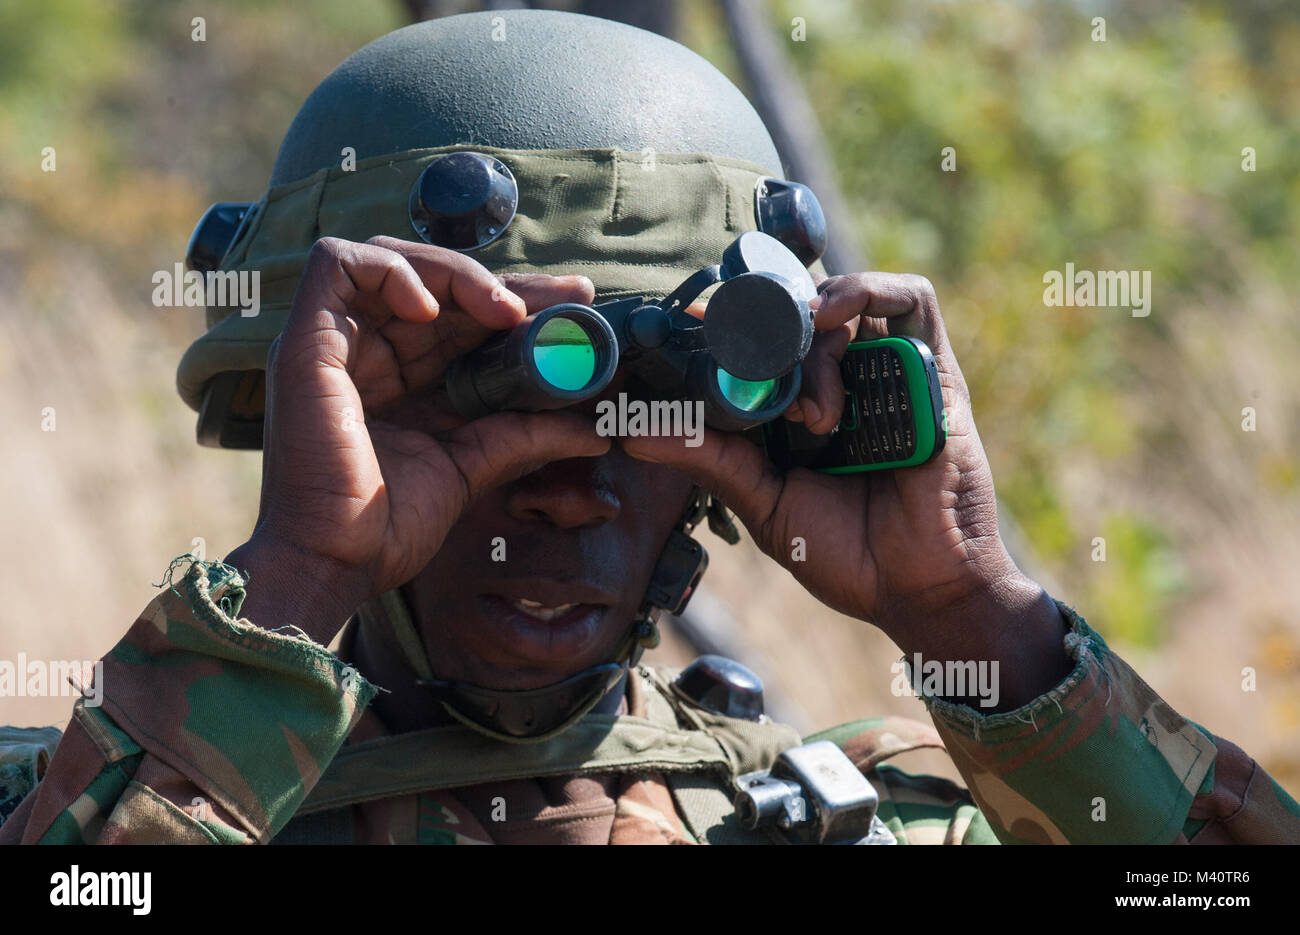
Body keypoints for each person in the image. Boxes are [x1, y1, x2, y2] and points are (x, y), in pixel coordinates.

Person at [2, 10, 1296, 845]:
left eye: (645, 413)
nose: (569, 491)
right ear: (300, 406)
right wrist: (301, 575)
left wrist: (968, 615)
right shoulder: (76, 814)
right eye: (485, 386)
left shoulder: (872, 824)